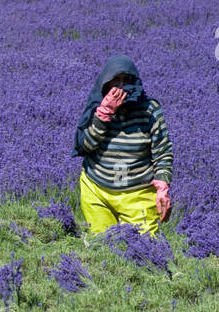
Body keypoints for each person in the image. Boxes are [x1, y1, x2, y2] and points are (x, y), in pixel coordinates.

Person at [72, 55, 173, 236]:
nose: (121, 86)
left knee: (145, 250)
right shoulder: (97, 107)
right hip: (96, 189)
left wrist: (162, 186)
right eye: (115, 80)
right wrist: (104, 115)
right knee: (100, 248)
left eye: (127, 80)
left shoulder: (150, 111)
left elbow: (163, 153)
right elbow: (86, 146)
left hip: (138, 193)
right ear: (105, 83)